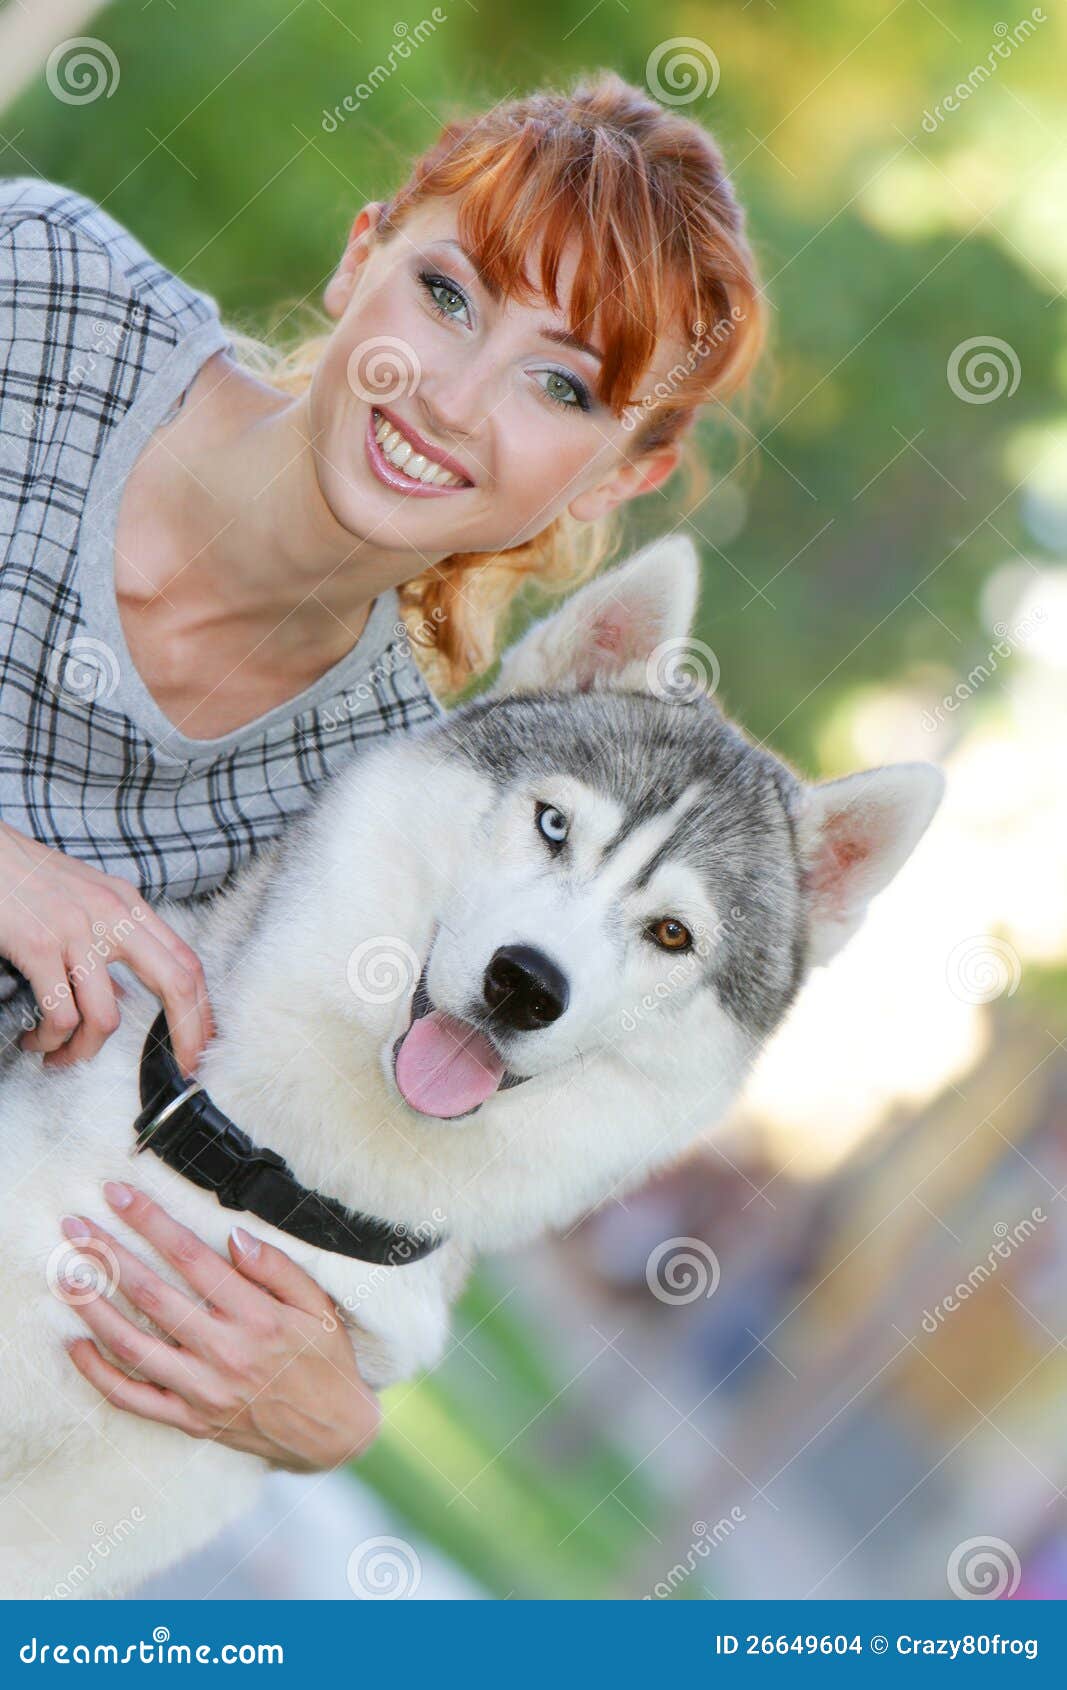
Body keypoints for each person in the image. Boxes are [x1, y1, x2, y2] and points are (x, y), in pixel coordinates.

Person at [0, 72, 765, 1474]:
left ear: (611, 479)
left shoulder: (380, 797)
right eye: (449, 294)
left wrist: (329, 1412)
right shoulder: (43, 303)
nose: (456, 396)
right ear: (362, 256)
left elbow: (413, 1166)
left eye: (562, 385)